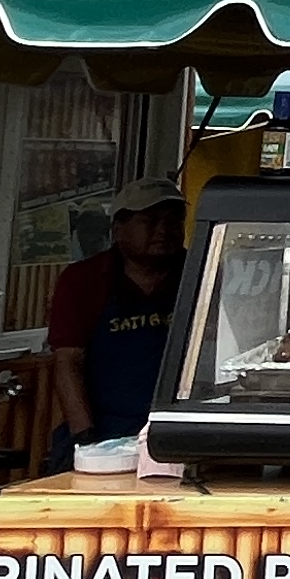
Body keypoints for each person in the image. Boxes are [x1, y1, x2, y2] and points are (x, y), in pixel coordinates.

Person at [48, 175, 187, 447]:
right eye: (149, 221)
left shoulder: (201, 272)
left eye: (173, 220)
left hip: (179, 427)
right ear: (118, 229)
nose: (164, 230)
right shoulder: (82, 280)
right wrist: (86, 438)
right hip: (107, 430)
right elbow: (68, 362)